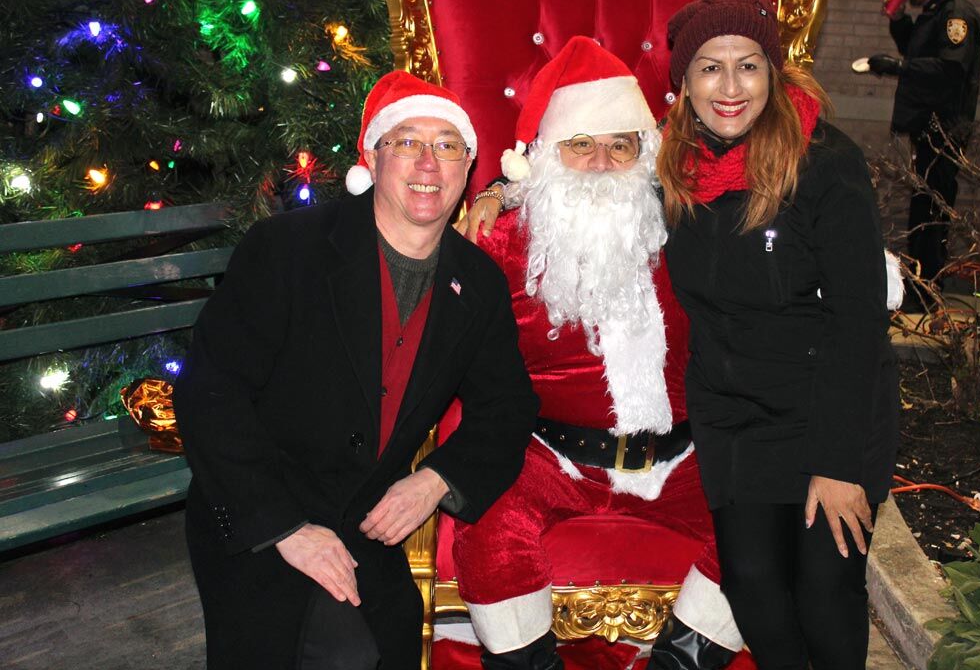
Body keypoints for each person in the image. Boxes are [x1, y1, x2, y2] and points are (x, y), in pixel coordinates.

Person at [173, 71, 539, 670]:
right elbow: (212, 393)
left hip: (366, 523)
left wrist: (435, 481)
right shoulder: (287, 249)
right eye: (407, 142)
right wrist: (288, 529)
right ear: (372, 155)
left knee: (383, 649)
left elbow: (508, 407)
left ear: (468, 166)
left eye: (447, 145)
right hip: (259, 509)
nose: (428, 163)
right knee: (330, 654)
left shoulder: (477, 282)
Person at [451, 36, 744, 670]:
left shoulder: (693, 225)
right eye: (581, 144)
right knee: (490, 529)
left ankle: (675, 665)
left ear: (647, 151)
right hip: (552, 455)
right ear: (548, 157)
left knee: (766, 520)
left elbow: (778, 255)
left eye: (621, 144)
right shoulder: (499, 240)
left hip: (684, 456)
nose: (604, 162)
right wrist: (495, 195)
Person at [657, 0, 900, 669]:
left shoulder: (824, 164)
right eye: (709, 67)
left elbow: (858, 323)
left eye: (748, 65)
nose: (729, 87)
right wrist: (500, 190)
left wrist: (835, 463)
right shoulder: (671, 166)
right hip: (736, 416)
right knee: (753, 588)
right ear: (683, 81)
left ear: (774, 70)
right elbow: (576, 167)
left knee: (823, 591)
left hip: (829, 406)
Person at [867, 0, 980, 307]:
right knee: (923, 206)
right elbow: (915, 51)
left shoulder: (956, 15)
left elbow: (949, 69)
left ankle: (927, 291)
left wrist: (897, 67)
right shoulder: (934, 14)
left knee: (933, 210)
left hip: (944, 127)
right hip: (928, 127)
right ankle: (919, 287)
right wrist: (899, 21)